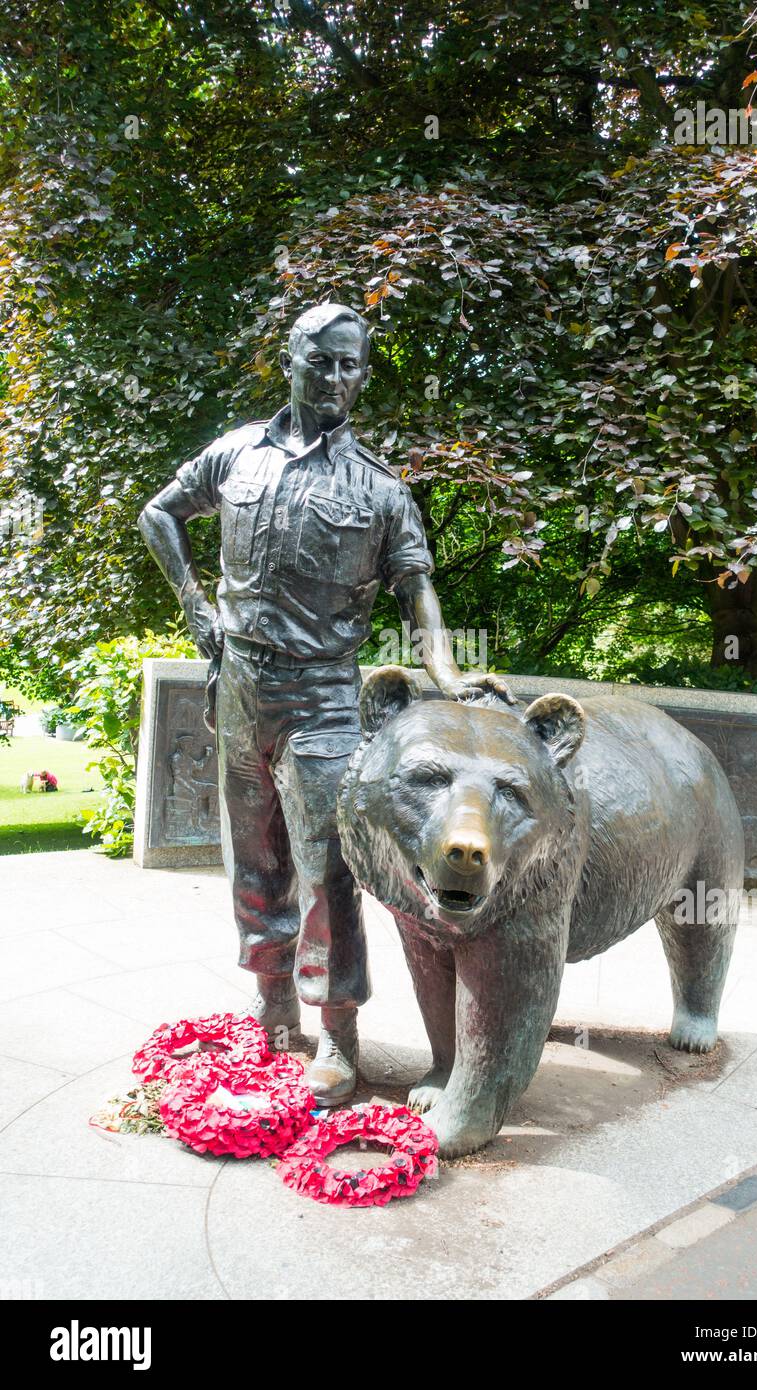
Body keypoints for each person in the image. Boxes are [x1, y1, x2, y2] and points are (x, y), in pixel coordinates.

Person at [137, 303, 513, 1105]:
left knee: (326, 873)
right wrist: (194, 606)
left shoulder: (380, 489)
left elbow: (418, 591)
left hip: (323, 700)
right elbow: (160, 513)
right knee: (253, 864)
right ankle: (272, 1014)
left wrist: (444, 674)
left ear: (363, 376)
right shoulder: (236, 455)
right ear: (293, 361)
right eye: (323, 362)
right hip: (238, 688)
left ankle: (337, 1039)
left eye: (351, 367)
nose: (337, 379)